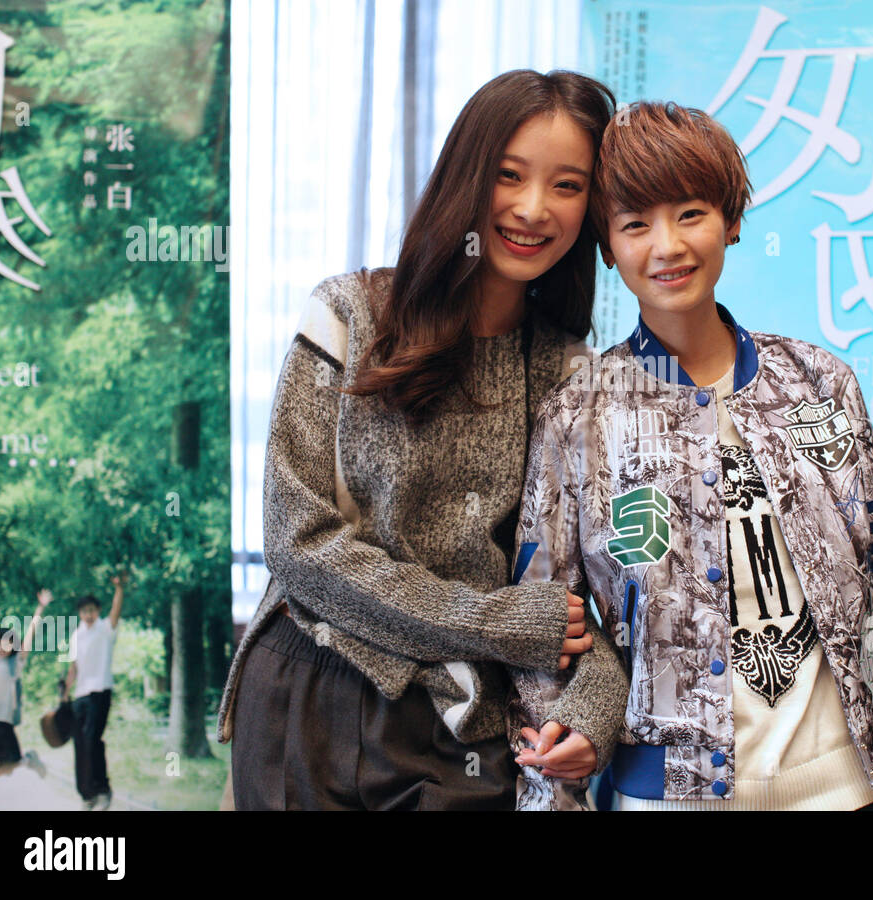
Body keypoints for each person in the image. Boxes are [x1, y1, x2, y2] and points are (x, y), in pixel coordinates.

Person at [508, 101, 873, 810]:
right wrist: (553, 791)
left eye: (690, 213)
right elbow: (543, 630)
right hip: (668, 796)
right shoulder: (577, 417)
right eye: (634, 224)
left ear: (731, 220)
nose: (666, 246)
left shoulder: (818, 381)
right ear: (607, 245)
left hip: (851, 789)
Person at [217, 69, 629, 811]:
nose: (534, 209)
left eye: (568, 187)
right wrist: (498, 623)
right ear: (465, 177)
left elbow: (595, 587)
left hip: (460, 717)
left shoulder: (571, 371)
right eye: (509, 176)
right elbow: (297, 542)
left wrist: (597, 708)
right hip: (312, 683)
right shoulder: (347, 314)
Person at [0, 578, 51, 781]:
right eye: (1, 640)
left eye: (9, 643)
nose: (3, 646)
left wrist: (40, 609)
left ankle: (27, 761)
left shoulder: (13, 665)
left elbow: (29, 637)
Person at [66, 571, 125, 810]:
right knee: (80, 743)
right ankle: (87, 794)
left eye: (92, 610)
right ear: (80, 613)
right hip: (79, 696)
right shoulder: (76, 635)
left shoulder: (104, 629)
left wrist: (119, 589)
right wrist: (64, 694)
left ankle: (103, 790)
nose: (88, 615)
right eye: (84, 611)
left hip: (100, 692)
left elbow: (116, 612)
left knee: (92, 740)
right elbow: (73, 668)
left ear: (97, 610)